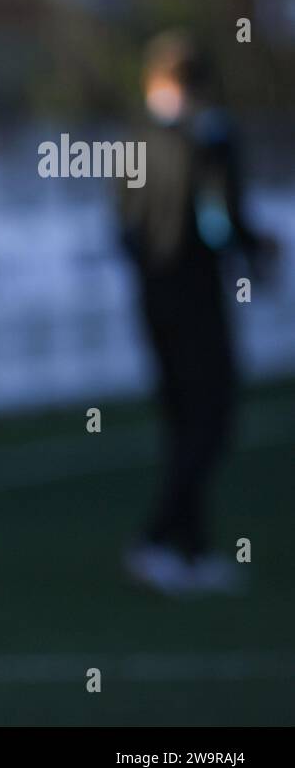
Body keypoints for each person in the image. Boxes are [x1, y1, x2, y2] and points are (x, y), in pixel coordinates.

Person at [117, 29, 278, 595]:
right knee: (212, 419)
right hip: (196, 299)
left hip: (153, 301)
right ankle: (157, 540)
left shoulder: (133, 139)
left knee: (184, 422)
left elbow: (125, 229)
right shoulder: (209, 138)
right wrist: (258, 251)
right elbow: (220, 219)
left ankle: (192, 547)